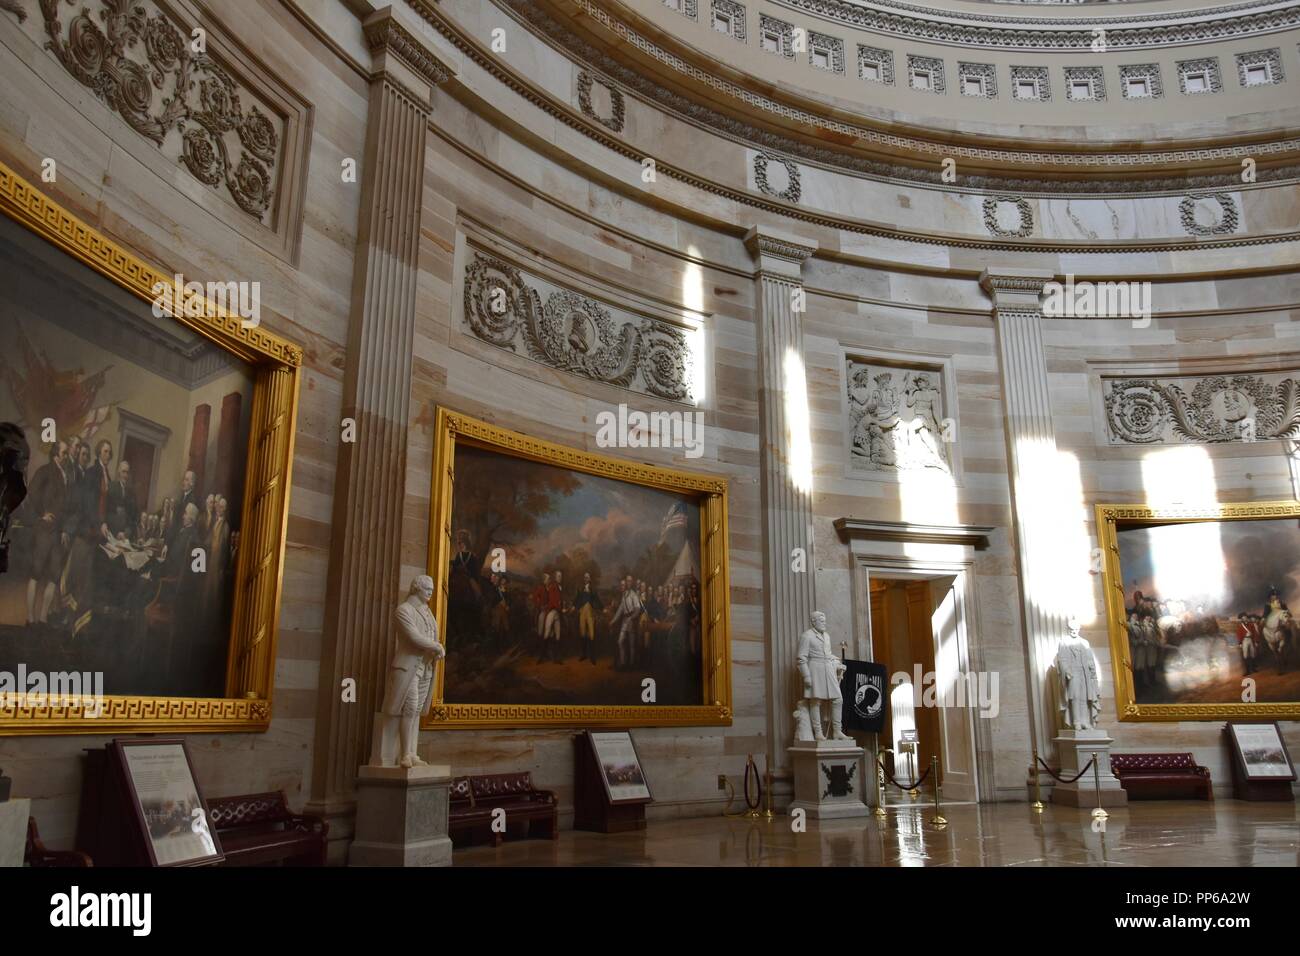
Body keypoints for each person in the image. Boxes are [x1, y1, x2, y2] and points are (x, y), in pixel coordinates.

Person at [378, 575, 444, 768]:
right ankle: (404, 754)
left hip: (426, 668)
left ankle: (413, 753)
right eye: (427, 589)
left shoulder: (427, 612)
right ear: (416, 589)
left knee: (416, 711)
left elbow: (432, 635)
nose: (431, 593)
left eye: (432, 589)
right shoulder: (404, 610)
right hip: (408, 667)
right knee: (409, 707)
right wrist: (437, 646)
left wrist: (437, 649)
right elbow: (414, 637)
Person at [25, 439, 72, 624]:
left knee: (54, 575)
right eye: (64, 452)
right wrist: (41, 514)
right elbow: (31, 493)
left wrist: (65, 528)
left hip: (58, 531)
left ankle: (43, 618)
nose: (67, 456)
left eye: (67, 453)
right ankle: (30, 617)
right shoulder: (45, 471)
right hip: (44, 530)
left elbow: (67, 507)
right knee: (36, 572)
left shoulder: (66, 475)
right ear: (55, 454)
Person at [796, 610, 851, 741]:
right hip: (815, 669)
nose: (824, 623)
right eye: (821, 621)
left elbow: (828, 654)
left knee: (838, 699)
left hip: (828, 670)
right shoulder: (807, 636)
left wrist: (837, 662)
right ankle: (818, 733)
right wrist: (806, 676)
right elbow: (801, 658)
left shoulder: (826, 636)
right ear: (813, 622)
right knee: (816, 701)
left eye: (825, 621)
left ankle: (837, 731)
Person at [609, 575, 643, 670]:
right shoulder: (624, 595)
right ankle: (623, 663)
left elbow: (637, 609)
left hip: (631, 621)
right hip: (625, 621)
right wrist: (612, 621)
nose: (628, 583)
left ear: (631, 583)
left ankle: (631, 664)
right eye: (626, 581)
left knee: (632, 644)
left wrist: (632, 618)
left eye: (629, 581)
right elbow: (620, 610)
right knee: (620, 641)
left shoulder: (633, 595)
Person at [574, 572, 603, 663]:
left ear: (590, 579)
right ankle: (584, 654)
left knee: (591, 634)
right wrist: (573, 606)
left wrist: (603, 608)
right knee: (582, 633)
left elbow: (597, 599)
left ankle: (592, 657)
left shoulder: (593, 589)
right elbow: (577, 599)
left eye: (587, 577)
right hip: (582, 612)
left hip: (590, 613)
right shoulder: (580, 589)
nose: (586, 578)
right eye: (585, 577)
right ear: (584, 579)